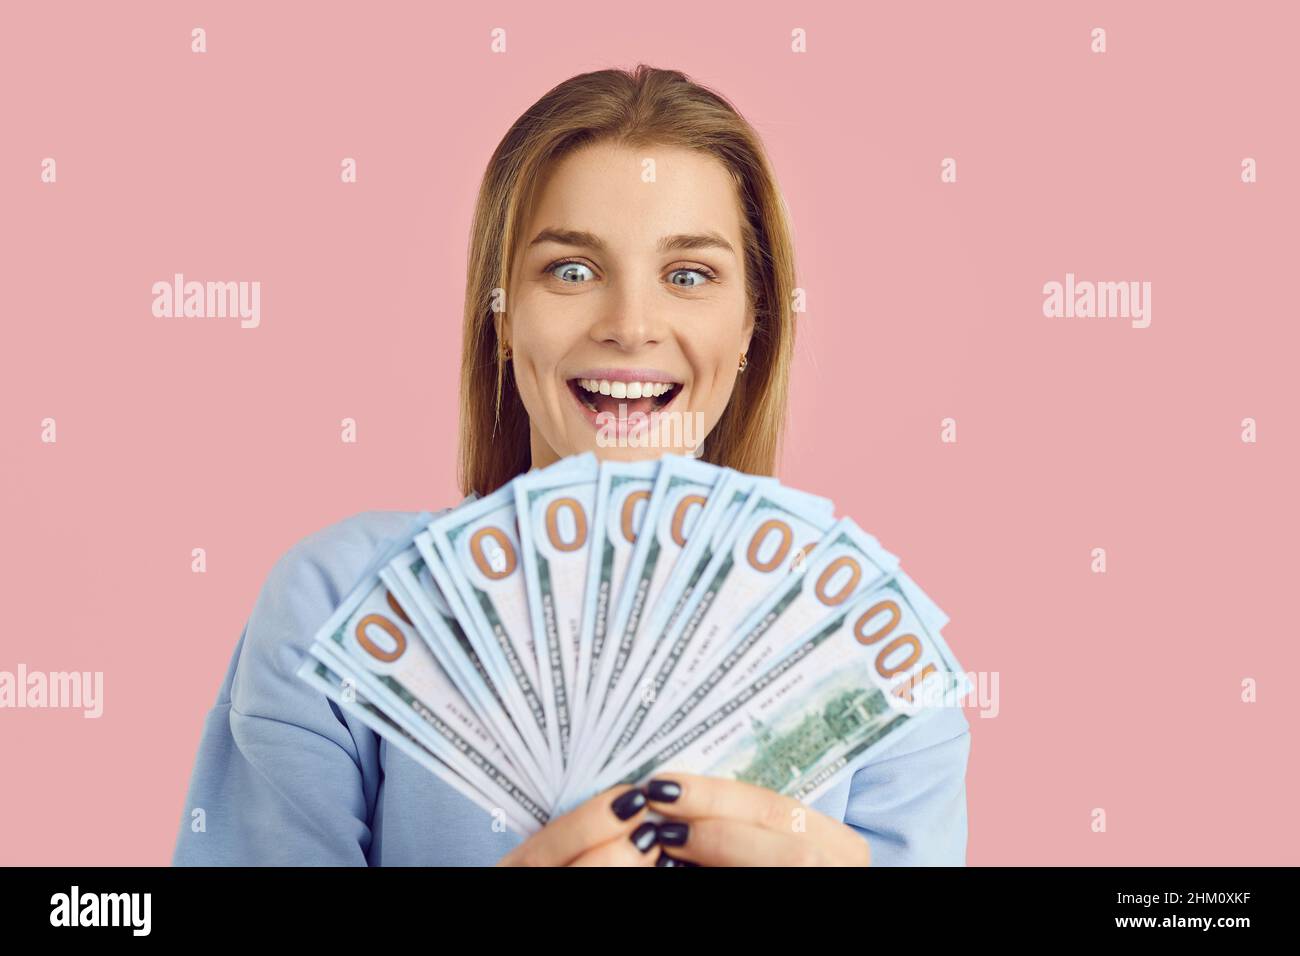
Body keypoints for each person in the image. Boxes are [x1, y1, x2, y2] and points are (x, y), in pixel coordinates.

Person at [172, 63, 971, 867]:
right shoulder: (337, 604)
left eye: (688, 275)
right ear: (503, 316)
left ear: (752, 324)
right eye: (572, 270)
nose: (631, 326)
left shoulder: (872, 657)